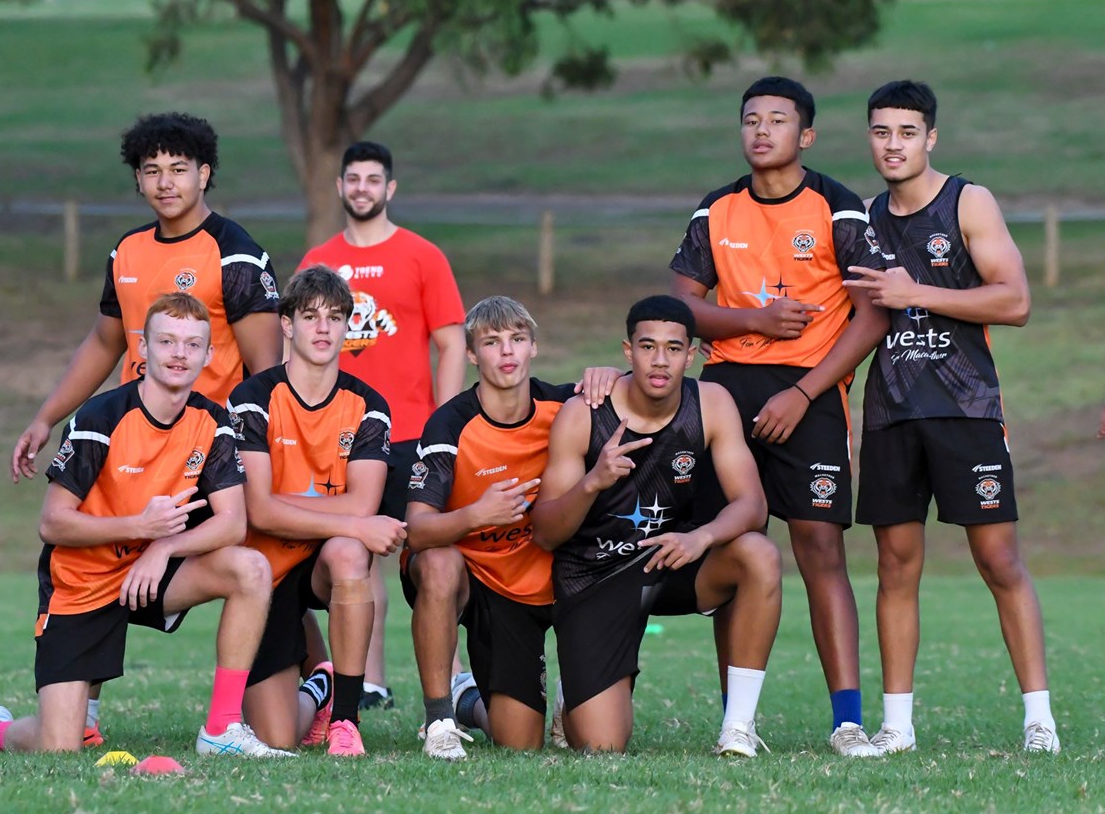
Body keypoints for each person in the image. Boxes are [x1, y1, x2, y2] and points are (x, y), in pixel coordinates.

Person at [9, 112, 283, 746]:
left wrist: (256, 453)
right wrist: (47, 416)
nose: (165, 183)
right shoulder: (127, 252)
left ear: (204, 173)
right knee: (63, 740)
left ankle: (250, 711)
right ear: (137, 179)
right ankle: (53, 719)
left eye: (178, 170)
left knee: (259, 565)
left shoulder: (234, 252)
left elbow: (268, 372)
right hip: (131, 465)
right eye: (151, 171)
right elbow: (105, 342)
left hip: (202, 465)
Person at [0, 294, 288, 757]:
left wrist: (162, 547)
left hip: (153, 575)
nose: (179, 353)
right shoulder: (100, 417)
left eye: (192, 345)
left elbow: (233, 523)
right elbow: (52, 524)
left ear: (208, 356)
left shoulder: (212, 423)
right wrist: (139, 526)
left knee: (249, 568)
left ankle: (221, 730)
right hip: (83, 583)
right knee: (58, 746)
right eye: (167, 341)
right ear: (142, 348)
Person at [670, 76, 889, 756]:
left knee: (821, 548)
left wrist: (805, 393)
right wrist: (754, 319)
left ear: (807, 135)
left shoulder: (838, 208)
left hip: (810, 394)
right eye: (751, 120)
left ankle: (847, 720)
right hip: (725, 394)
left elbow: (874, 313)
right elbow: (679, 306)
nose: (762, 131)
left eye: (778, 120)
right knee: (734, 547)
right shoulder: (717, 211)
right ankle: (737, 721)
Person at [841, 80, 1058, 754]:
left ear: (930, 137)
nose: (893, 144)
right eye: (881, 132)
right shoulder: (864, 218)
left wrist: (917, 293)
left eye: (906, 132)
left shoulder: (968, 200)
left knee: (999, 560)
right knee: (895, 567)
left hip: (966, 410)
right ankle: (897, 728)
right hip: (890, 414)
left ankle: (1039, 719)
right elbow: (854, 322)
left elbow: (1014, 301)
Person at [532, 295, 782, 756]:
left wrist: (701, 536)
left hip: (670, 560)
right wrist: (593, 482)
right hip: (595, 575)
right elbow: (545, 532)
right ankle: (579, 687)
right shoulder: (584, 412)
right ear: (628, 352)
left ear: (691, 354)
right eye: (648, 347)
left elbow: (752, 505)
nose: (660, 360)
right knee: (602, 745)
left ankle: (738, 727)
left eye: (673, 348)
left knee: (758, 554)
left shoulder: (711, 402)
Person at [403, 296, 618, 760]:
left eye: (517, 340)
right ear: (471, 355)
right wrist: (476, 514)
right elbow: (416, 531)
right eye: (492, 342)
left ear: (533, 348)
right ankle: (442, 715)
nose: (507, 353)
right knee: (439, 562)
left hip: (556, 575)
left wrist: (610, 375)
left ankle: (503, 699)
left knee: (554, 742)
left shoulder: (565, 404)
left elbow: (639, 393)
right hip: (486, 585)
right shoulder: (449, 424)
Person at [298, 141, 467, 710]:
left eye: (374, 179)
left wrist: (445, 428)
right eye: (353, 179)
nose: (363, 188)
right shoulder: (318, 261)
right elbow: (291, 345)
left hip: (412, 431)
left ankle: (455, 675)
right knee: (356, 548)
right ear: (340, 187)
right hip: (339, 435)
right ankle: (366, 679)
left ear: (390, 189)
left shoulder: (422, 255)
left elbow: (451, 342)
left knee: (426, 553)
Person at [228, 267, 404, 757]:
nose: (324, 328)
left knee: (350, 554)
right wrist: (353, 521)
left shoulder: (368, 405)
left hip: (324, 563)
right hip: (265, 571)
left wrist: (347, 522)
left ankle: (346, 719)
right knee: (276, 737)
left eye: (335, 317)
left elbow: (364, 504)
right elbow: (258, 511)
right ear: (287, 325)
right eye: (310, 316)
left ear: (349, 327)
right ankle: (320, 687)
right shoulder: (252, 398)